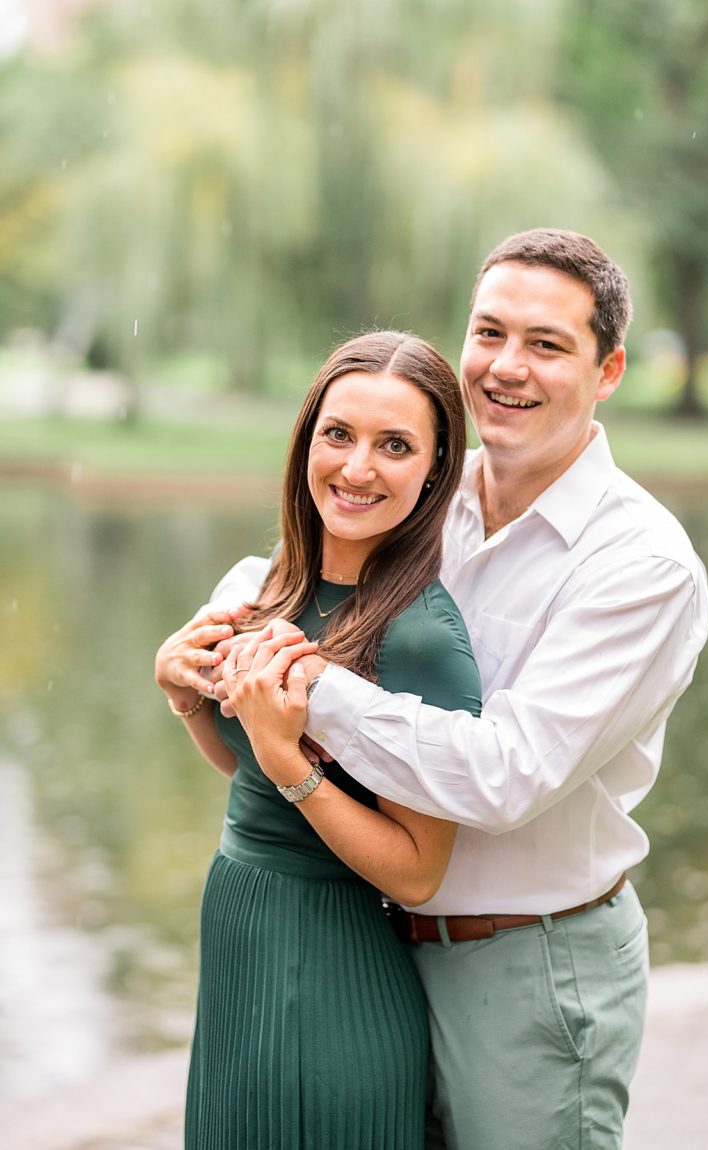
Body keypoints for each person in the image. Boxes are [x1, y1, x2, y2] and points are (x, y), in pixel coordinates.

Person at [165, 229, 708, 1150]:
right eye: (490, 332)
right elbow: (290, 569)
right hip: (374, 946)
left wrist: (298, 681)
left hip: (531, 963)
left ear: (609, 368)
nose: (507, 367)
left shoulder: (643, 565)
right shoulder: (430, 489)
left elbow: (506, 777)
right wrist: (211, 644)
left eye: (547, 344)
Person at [153, 331, 481, 1149]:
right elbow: (245, 771)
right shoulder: (273, 584)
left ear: (435, 470)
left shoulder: (420, 640)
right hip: (240, 938)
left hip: (331, 964)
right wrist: (187, 696)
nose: (357, 467)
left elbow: (421, 870)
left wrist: (288, 762)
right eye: (339, 434)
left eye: (394, 445)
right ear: (307, 439)